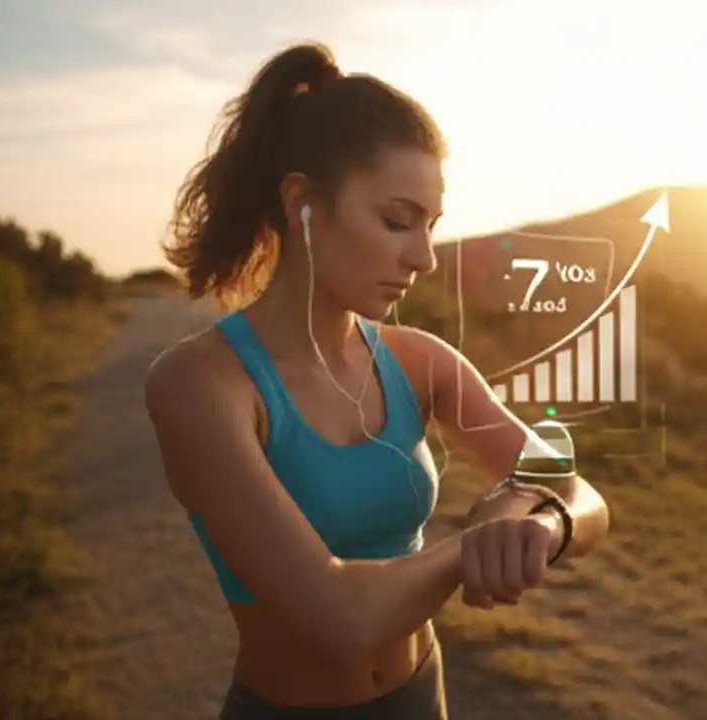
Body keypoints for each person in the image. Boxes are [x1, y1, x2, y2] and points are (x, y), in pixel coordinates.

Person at [143, 41, 611, 719]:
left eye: (430, 226)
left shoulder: (421, 361)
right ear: (302, 203)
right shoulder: (198, 385)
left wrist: (536, 523)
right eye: (397, 221)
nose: (422, 257)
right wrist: (477, 547)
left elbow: (574, 485)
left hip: (423, 696)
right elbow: (339, 616)